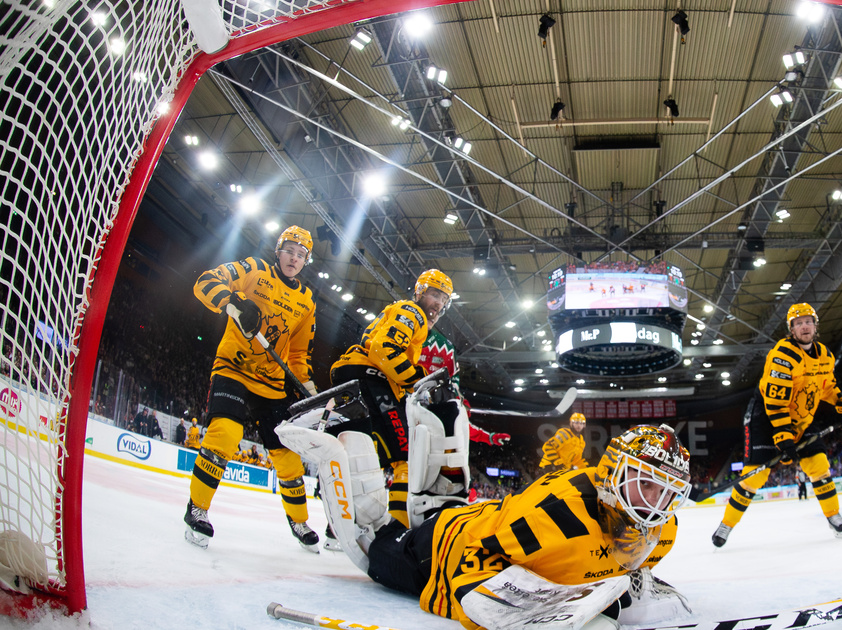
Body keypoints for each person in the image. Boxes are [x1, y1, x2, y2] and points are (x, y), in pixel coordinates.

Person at [280, 422, 694, 629]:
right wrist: (493, 607)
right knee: (378, 555)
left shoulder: (665, 530)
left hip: (495, 524)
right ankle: (367, 494)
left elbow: (627, 568)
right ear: (616, 472)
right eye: (646, 485)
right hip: (447, 543)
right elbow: (474, 553)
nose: (657, 504)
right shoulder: (556, 514)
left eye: (668, 492)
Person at [182, 225, 321, 551]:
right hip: (234, 368)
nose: (294, 258)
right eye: (290, 250)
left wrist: (308, 387)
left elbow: (299, 354)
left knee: (288, 459)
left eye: (301, 255)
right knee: (226, 435)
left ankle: (299, 522)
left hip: (272, 384)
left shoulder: (306, 301)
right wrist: (232, 303)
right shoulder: (254, 270)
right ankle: (197, 509)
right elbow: (205, 281)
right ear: (278, 250)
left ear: (305, 262)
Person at [712, 303, 842, 547]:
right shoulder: (783, 354)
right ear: (791, 329)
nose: (804, 326)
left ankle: (834, 516)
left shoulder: (825, 355)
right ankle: (726, 525)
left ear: (815, 325)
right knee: (754, 478)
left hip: (801, 417)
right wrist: (782, 434)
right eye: (798, 323)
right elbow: (775, 400)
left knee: (819, 464)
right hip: (765, 417)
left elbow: (827, 386)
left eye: (808, 321)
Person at [325, 268, 457, 529]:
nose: (438, 304)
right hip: (370, 378)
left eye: (444, 299)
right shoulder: (412, 312)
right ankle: (397, 531)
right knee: (405, 458)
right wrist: (417, 379)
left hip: (358, 376)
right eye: (434, 294)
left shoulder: (406, 313)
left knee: (361, 456)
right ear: (419, 292)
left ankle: (339, 526)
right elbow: (383, 349)